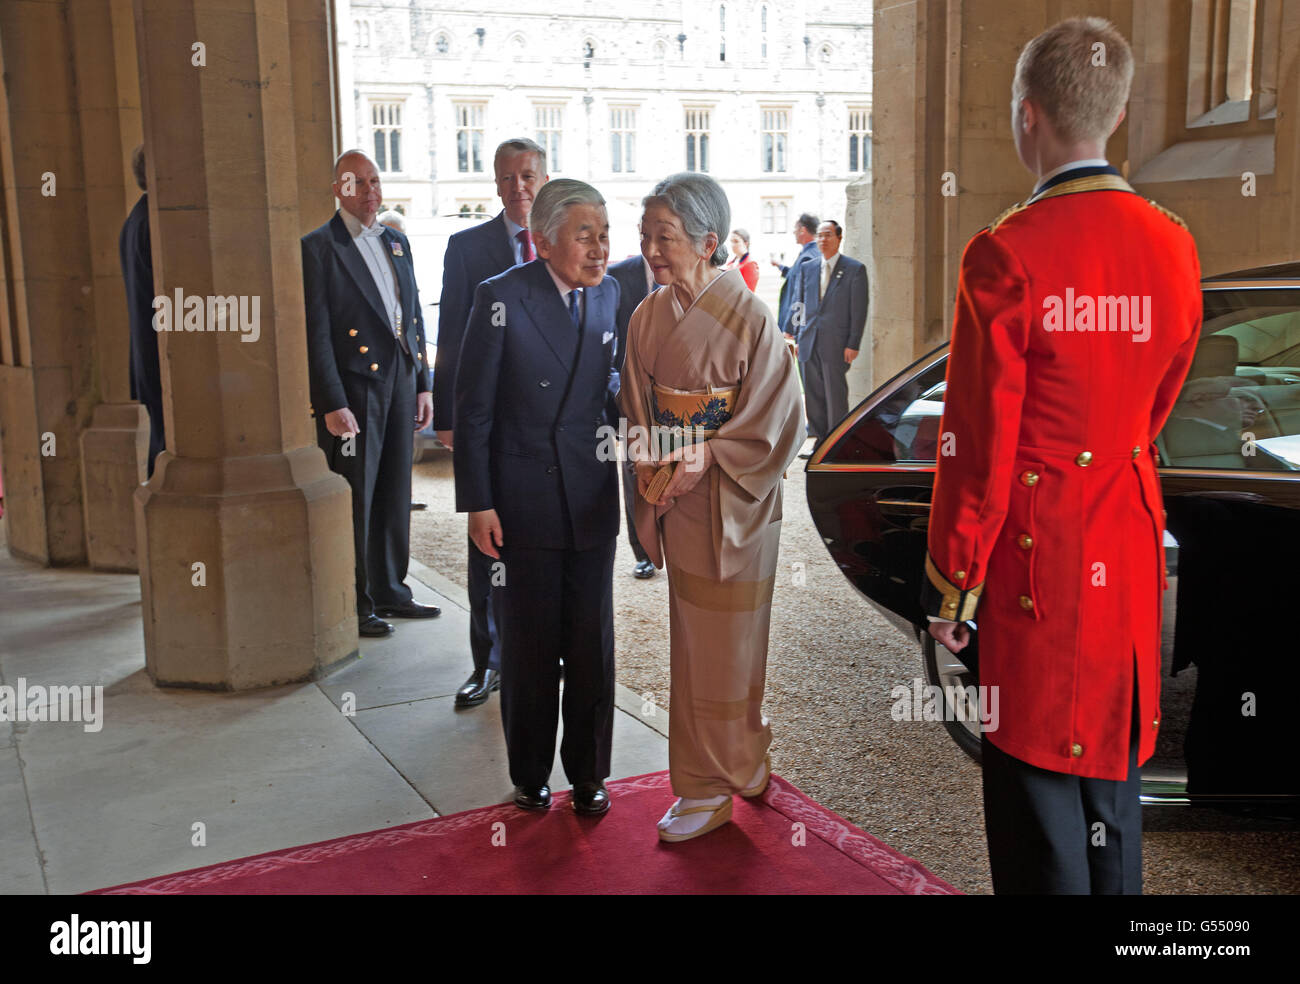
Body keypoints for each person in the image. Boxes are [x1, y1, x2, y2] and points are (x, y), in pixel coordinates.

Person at [923, 16, 1202, 894]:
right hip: (1123, 540)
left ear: (1027, 115)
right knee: (1110, 786)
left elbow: (975, 444)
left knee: (1037, 791)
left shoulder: (1006, 251)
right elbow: (1158, 401)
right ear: (1114, 119)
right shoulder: (1173, 242)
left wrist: (951, 582)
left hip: (1038, 557)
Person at [620, 173, 803, 842]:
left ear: (708, 241)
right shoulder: (646, 317)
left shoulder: (753, 315)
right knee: (696, 646)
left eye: (663, 237)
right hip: (684, 501)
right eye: (647, 236)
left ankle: (744, 756)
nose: (651, 249)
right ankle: (704, 787)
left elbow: (781, 419)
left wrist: (710, 453)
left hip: (741, 502)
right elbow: (638, 412)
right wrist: (656, 477)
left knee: (740, 643)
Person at [454, 178, 621, 816]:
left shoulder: (609, 295)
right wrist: (479, 502)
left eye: (604, 234)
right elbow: (474, 411)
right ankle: (529, 774)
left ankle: (589, 773)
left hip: (589, 499)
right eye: (586, 235)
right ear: (544, 240)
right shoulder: (500, 297)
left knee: (590, 644)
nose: (599, 248)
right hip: (521, 503)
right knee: (528, 644)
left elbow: (603, 378)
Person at [301, 149, 440, 638]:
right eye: (358, 183)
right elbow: (315, 332)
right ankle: (358, 601)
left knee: (395, 490)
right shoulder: (319, 246)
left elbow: (414, 315)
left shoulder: (396, 242)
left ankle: (391, 590)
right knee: (358, 494)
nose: (370, 191)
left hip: (401, 379)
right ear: (339, 189)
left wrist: (422, 383)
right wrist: (331, 402)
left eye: (375, 181)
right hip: (355, 390)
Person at [435, 138, 549, 707]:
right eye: (507, 178)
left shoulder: (565, 242)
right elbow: (451, 339)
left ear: (544, 177)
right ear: (495, 184)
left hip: (551, 428)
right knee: (488, 546)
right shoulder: (467, 247)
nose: (518, 187)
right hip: (490, 426)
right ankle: (488, 663)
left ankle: (540, 656)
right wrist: (449, 416)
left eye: (527, 175)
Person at [789, 220, 868, 452]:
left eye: (828, 235)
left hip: (837, 343)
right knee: (812, 395)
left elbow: (859, 310)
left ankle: (837, 444)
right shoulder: (808, 267)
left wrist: (853, 343)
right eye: (820, 236)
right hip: (808, 341)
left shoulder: (854, 269)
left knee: (835, 394)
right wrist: (795, 333)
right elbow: (799, 302)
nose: (823, 240)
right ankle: (820, 442)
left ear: (839, 238)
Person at [607, 248, 658, 579]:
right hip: (630, 393)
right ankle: (644, 551)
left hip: (680, 395)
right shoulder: (617, 276)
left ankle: (678, 544)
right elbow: (606, 342)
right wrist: (616, 388)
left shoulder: (690, 269)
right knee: (633, 470)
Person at [378, 209, 430, 513]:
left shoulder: (403, 262)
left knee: (402, 447)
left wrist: (424, 385)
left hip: (405, 374)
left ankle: (402, 498)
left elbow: (415, 322)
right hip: (377, 376)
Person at [119, 144, 165, 478]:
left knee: (163, 448)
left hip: (150, 356)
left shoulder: (137, 217)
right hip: (163, 356)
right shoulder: (157, 221)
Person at [774, 212, 819, 334]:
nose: (794, 232)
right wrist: (780, 267)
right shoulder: (809, 253)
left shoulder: (809, 257)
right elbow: (795, 275)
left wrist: (790, 328)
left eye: (795, 228)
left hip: (799, 329)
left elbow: (801, 295)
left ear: (802, 230)